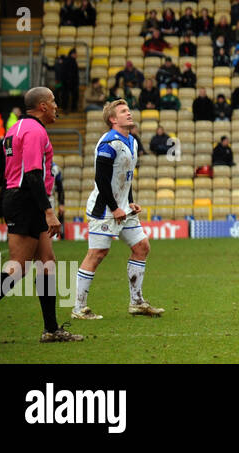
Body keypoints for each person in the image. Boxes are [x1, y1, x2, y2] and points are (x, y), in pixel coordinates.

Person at [0, 86, 83, 345]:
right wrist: (48, 211)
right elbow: (33, 174)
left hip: (20, 197)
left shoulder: (14, 129)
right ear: (43, 105)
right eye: (54, 101)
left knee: (47, 262)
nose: (57, 106)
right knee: (18, 266)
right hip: (26, 200)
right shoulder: (35, 131)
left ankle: (51, 329)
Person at [72, 100, 164, 320]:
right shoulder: (109, 144)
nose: (129, 113)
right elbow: (101, 180)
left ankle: (137, 302)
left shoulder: (131, 141)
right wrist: (114, 208)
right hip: (104, 208)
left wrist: (130, 201)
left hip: (123, 209)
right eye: (124, 111)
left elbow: (125, 177)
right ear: (113, 119)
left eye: (128, 110)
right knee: (97, 254)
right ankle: (79, 307)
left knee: (142, 246)